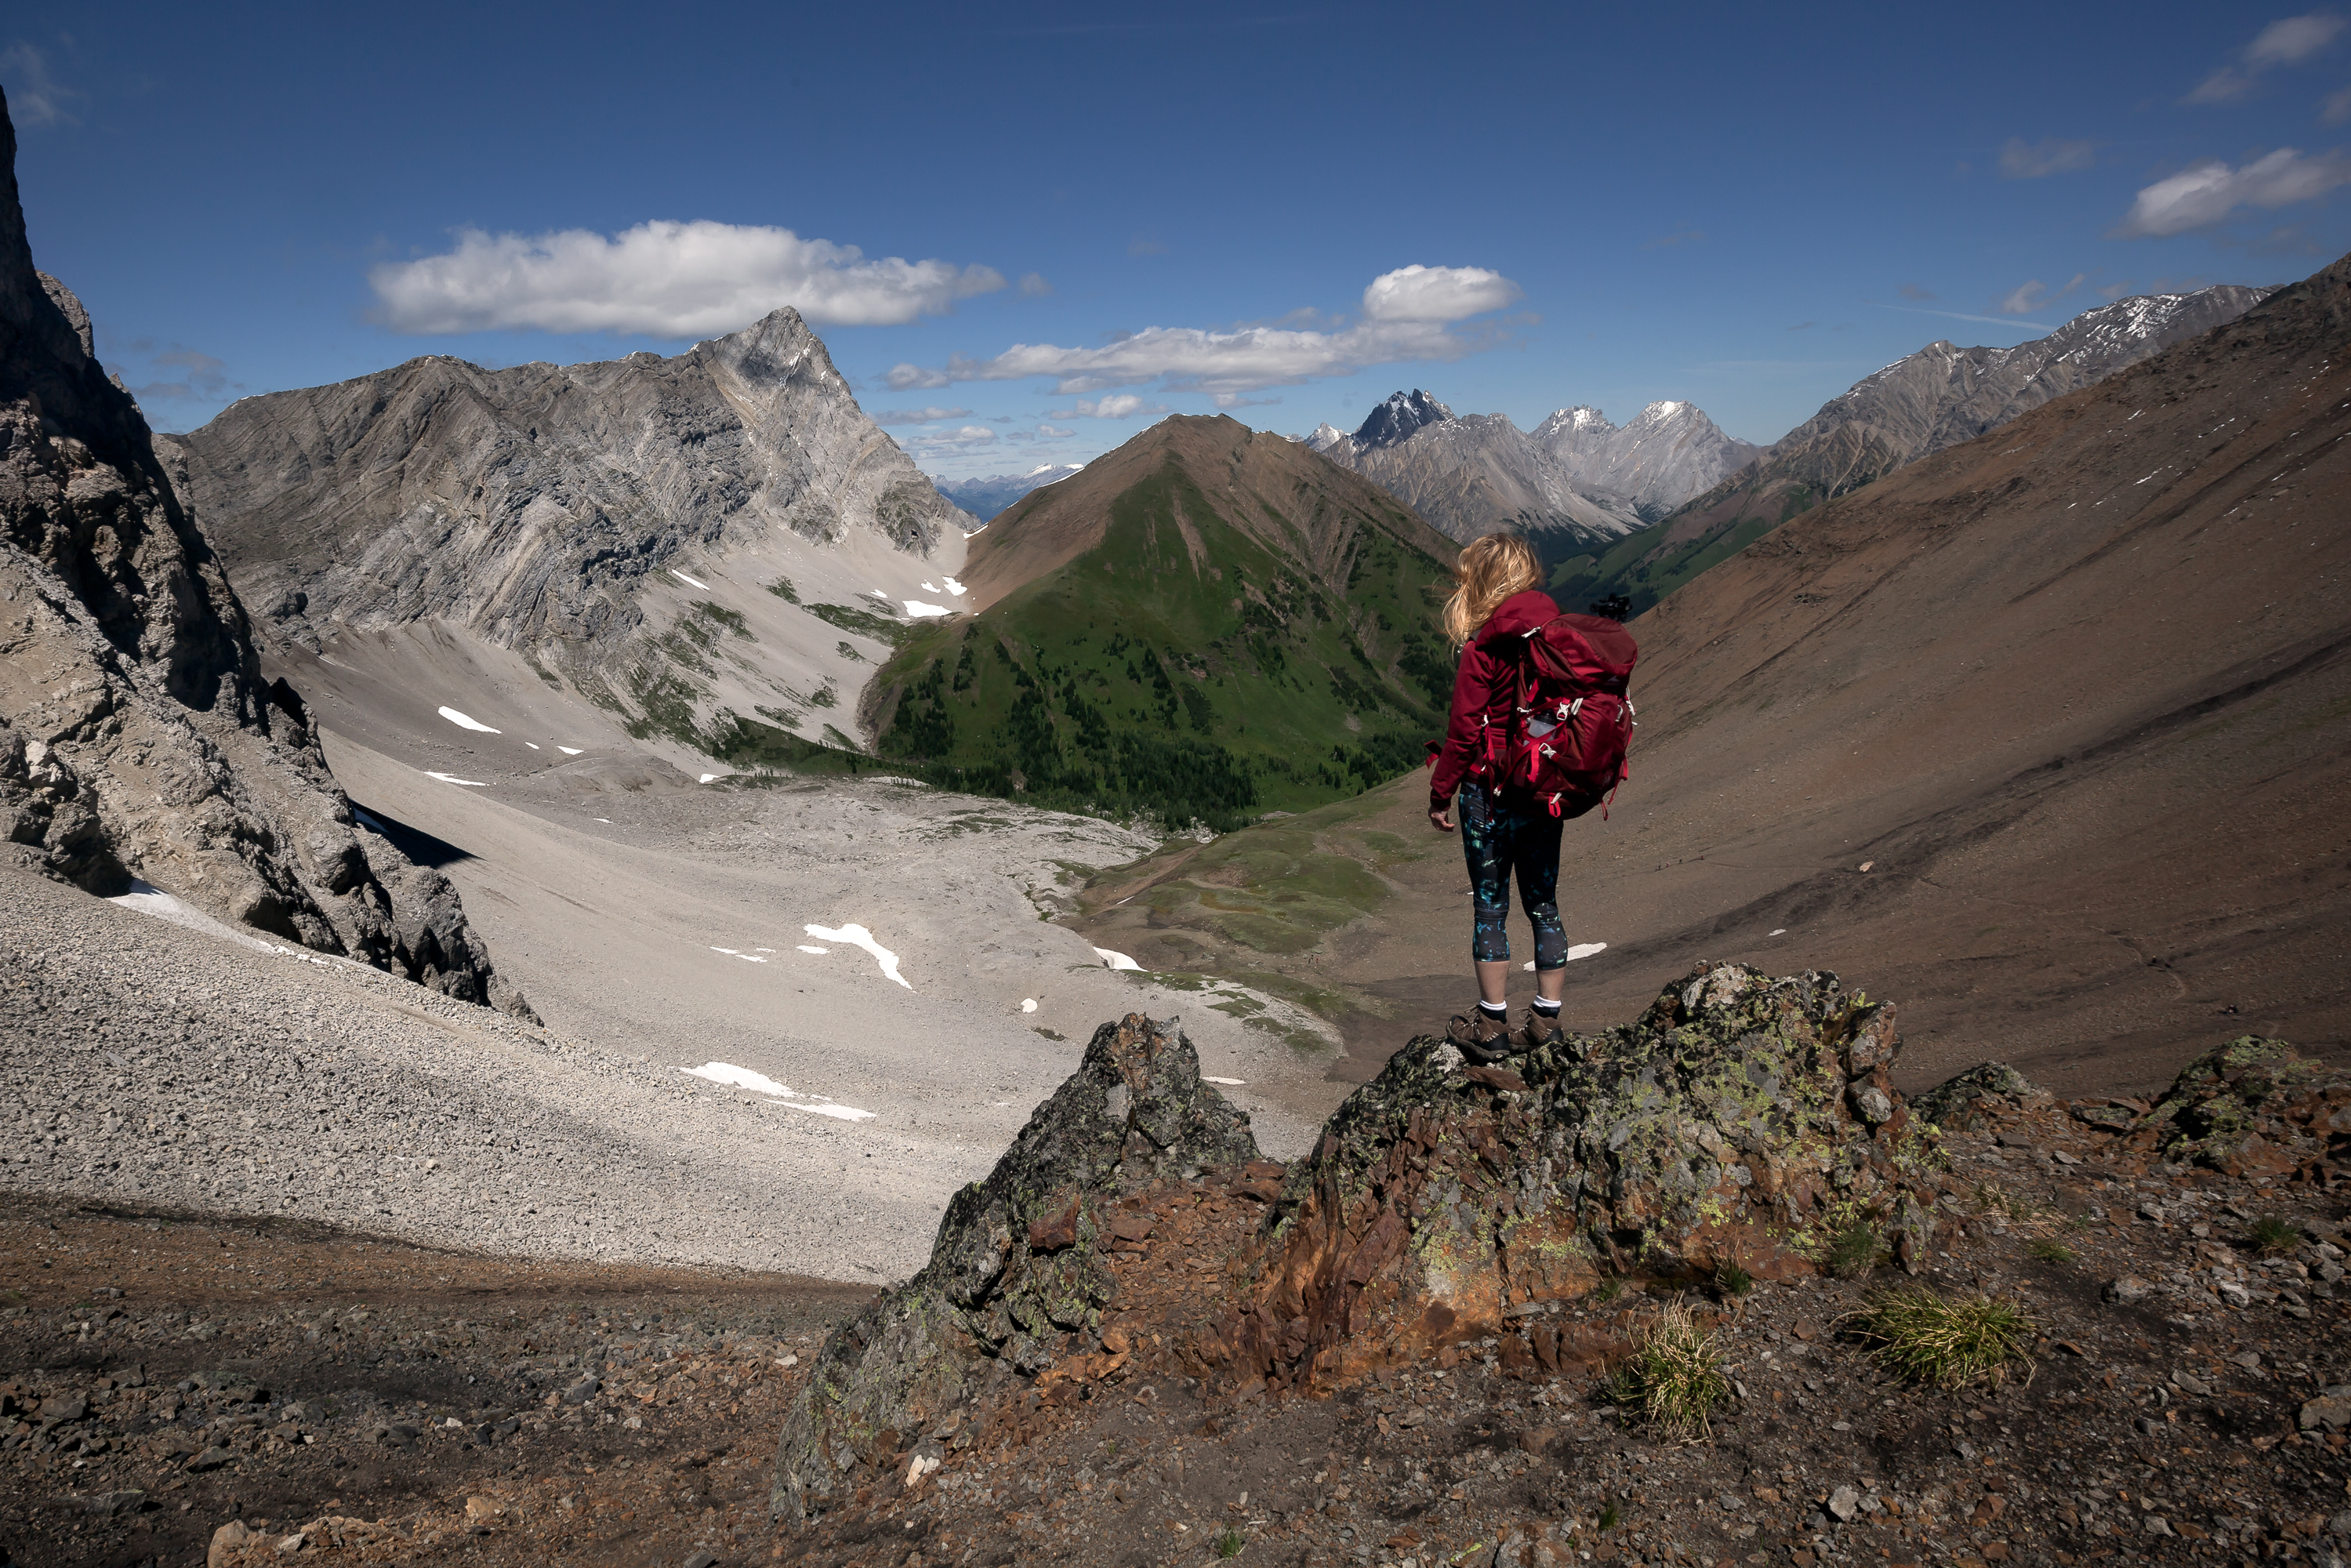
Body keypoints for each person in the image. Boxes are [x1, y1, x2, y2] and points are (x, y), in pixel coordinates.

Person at [1426, 532, 1570, 1065]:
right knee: (1543, 903)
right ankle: (1546, 1022)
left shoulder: (1483, 646)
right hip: (1544, 788)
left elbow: (1464, 731)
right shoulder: (1555, 633)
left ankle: (1491, 1025)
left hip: (1489, 792)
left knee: (1490, 908)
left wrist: (1440, 794)